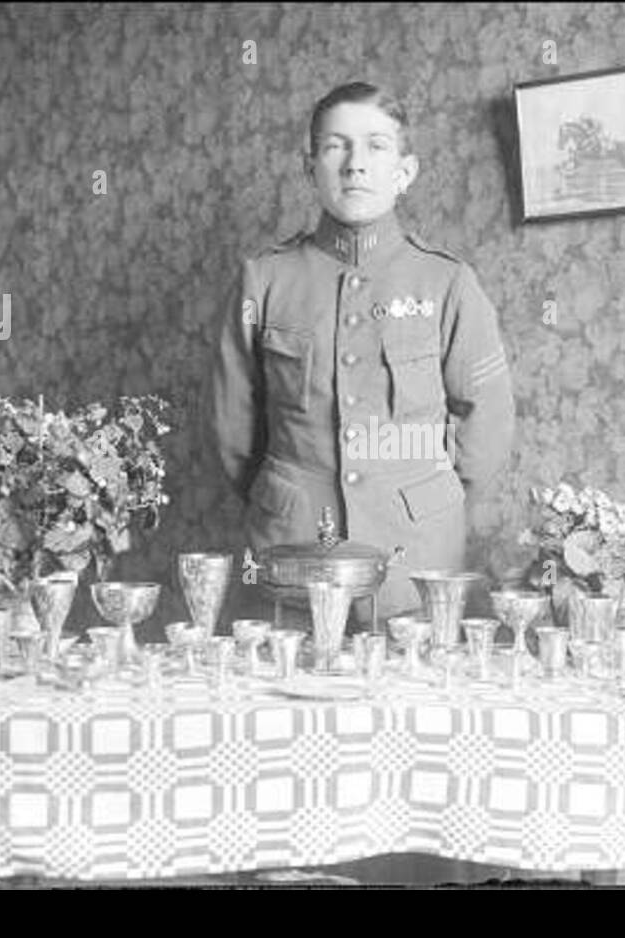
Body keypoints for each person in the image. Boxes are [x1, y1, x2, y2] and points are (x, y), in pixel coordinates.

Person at [208, 81, 515, 629]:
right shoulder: (265, 281)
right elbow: (234, 430)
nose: (355, 165)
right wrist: (284, 492)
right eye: (335, 146)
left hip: (416, 561)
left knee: (413, 710)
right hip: (292, 551)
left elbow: (487, 429)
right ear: (310, 169)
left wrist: (424, 496)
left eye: (376, 146)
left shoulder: (447, 283)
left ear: (405, 171)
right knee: (283, 706)